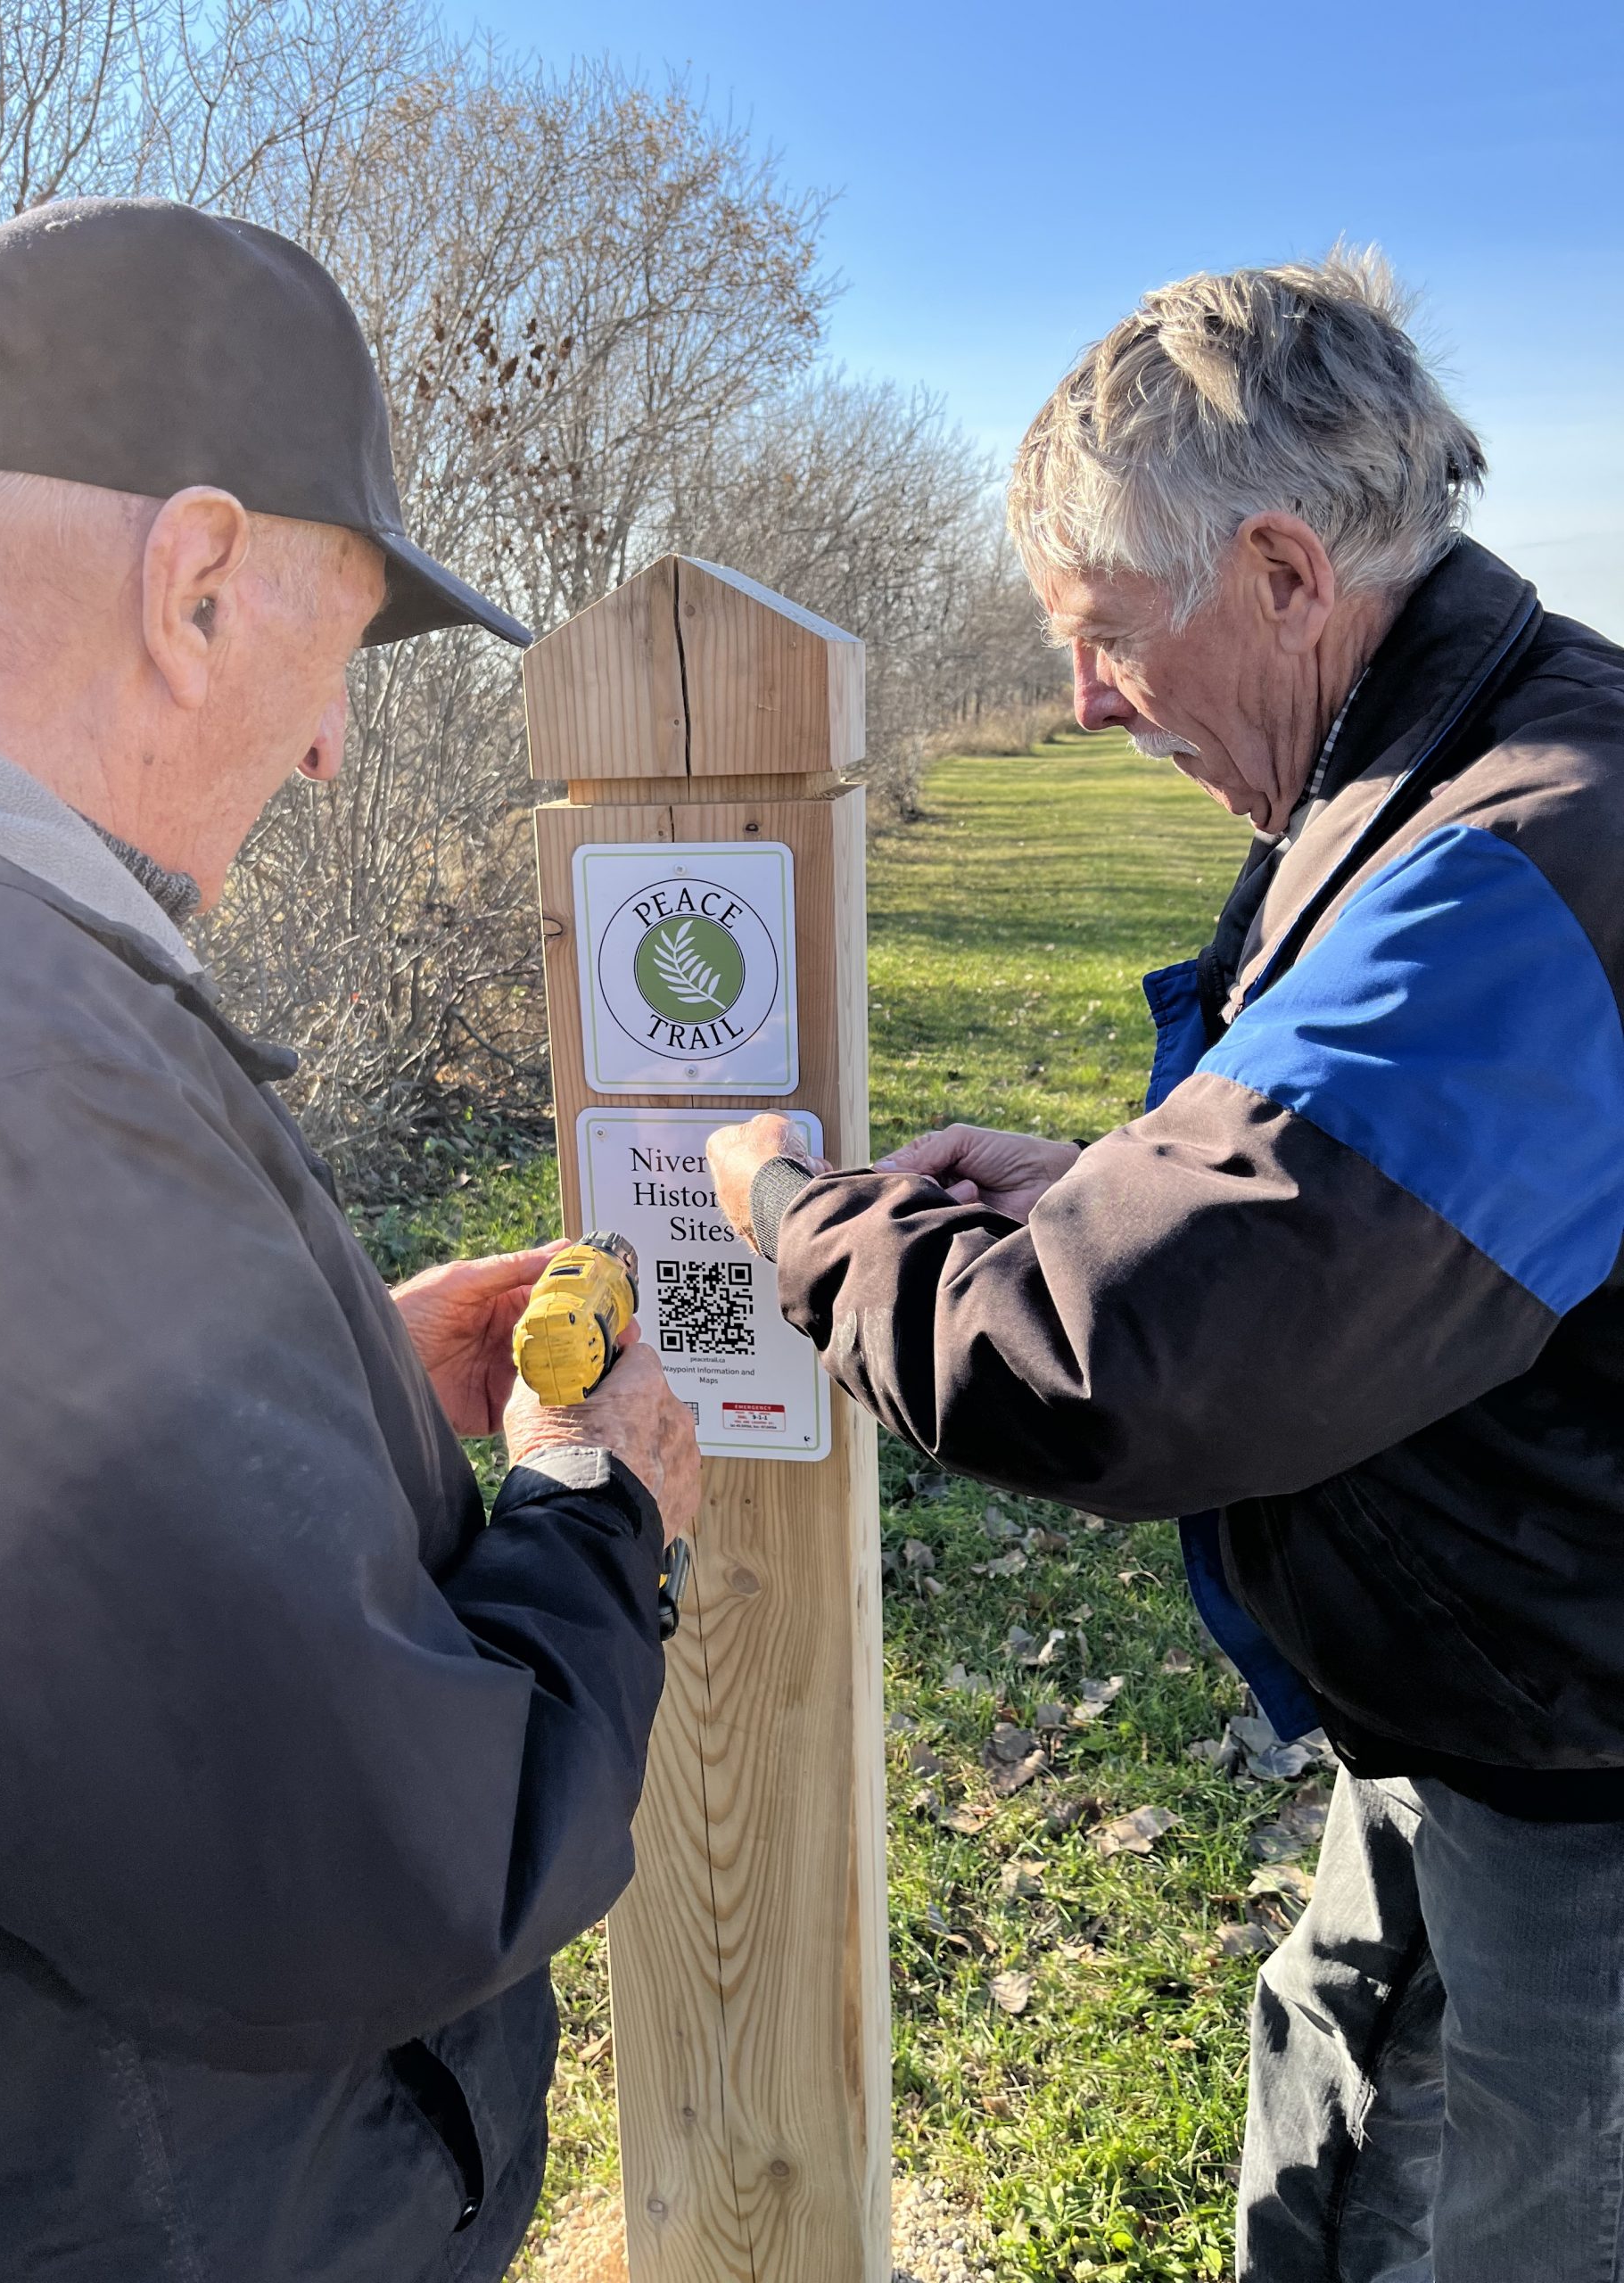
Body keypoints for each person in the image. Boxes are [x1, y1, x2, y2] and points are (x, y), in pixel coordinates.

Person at [709, 250, 1624, 2283]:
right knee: (1343, 2060)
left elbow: (1116, 1360)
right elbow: (1348, 1180)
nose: (1082, 701)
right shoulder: (1419, 773)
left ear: (1290, 573)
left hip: (1587, 1758)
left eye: (1113, 638)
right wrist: (1107, 1167)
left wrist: (793, 1209)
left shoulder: (1520, 853)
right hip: (1487, 1670)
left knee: (1538, 2214)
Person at [0, 198, 699, 2283]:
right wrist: (594, 1509)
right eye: (338, 647)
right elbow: (370, 1859)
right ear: (193, 580)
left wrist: (338, 1394)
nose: (342, 740)